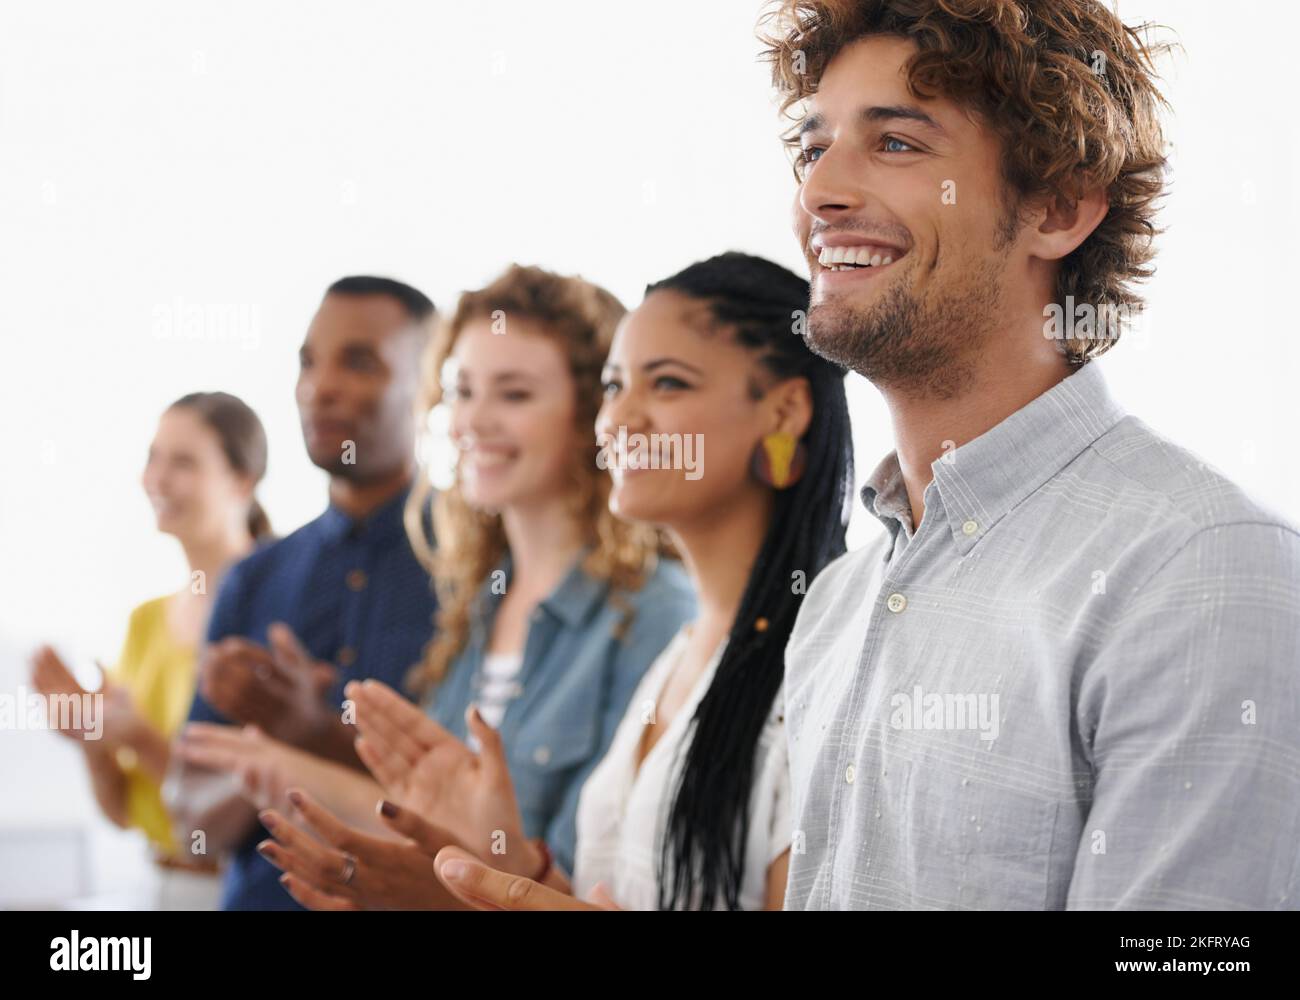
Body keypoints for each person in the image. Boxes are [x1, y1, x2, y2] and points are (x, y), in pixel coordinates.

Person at [758, 0, 1300, 909]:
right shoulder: (837, 606)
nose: (818, 193)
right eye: (813, 149)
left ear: (1057, 207)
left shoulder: (1204, 569)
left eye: (895, 145)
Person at [256, 252, 855, 911]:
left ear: (783, 412)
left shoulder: (807, 669)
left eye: (668, 384)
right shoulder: (681, 652)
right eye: (614, 385)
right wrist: (499, 862)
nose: (618, 420)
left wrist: (458, 895)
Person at [180, 264, 696, 904]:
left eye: (513, 394)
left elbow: (576, 875)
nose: (474, 421)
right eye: (462, 390)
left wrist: (295, 770)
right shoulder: (480, 602)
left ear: (590, 412)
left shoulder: (654, 613)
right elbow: (436, 824)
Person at [170, 276, 441, 910]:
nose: (321, 387)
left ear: (428, 387)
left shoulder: (476, 570)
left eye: (359, 361)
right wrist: (270, 747)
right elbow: (193, 830)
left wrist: (306, 734)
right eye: (308, 362)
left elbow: (477, 824)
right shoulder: (255, 577)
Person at [30, 392, 270, 905]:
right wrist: (93, 744)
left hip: (240, 890)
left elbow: (257, 810)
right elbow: (122, 814)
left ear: (242, 480)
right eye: (152, 457)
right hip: (158, 885)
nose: (156, 479)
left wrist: (140, 739)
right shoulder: (145, 622)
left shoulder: (275, 613)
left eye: (182, 462)